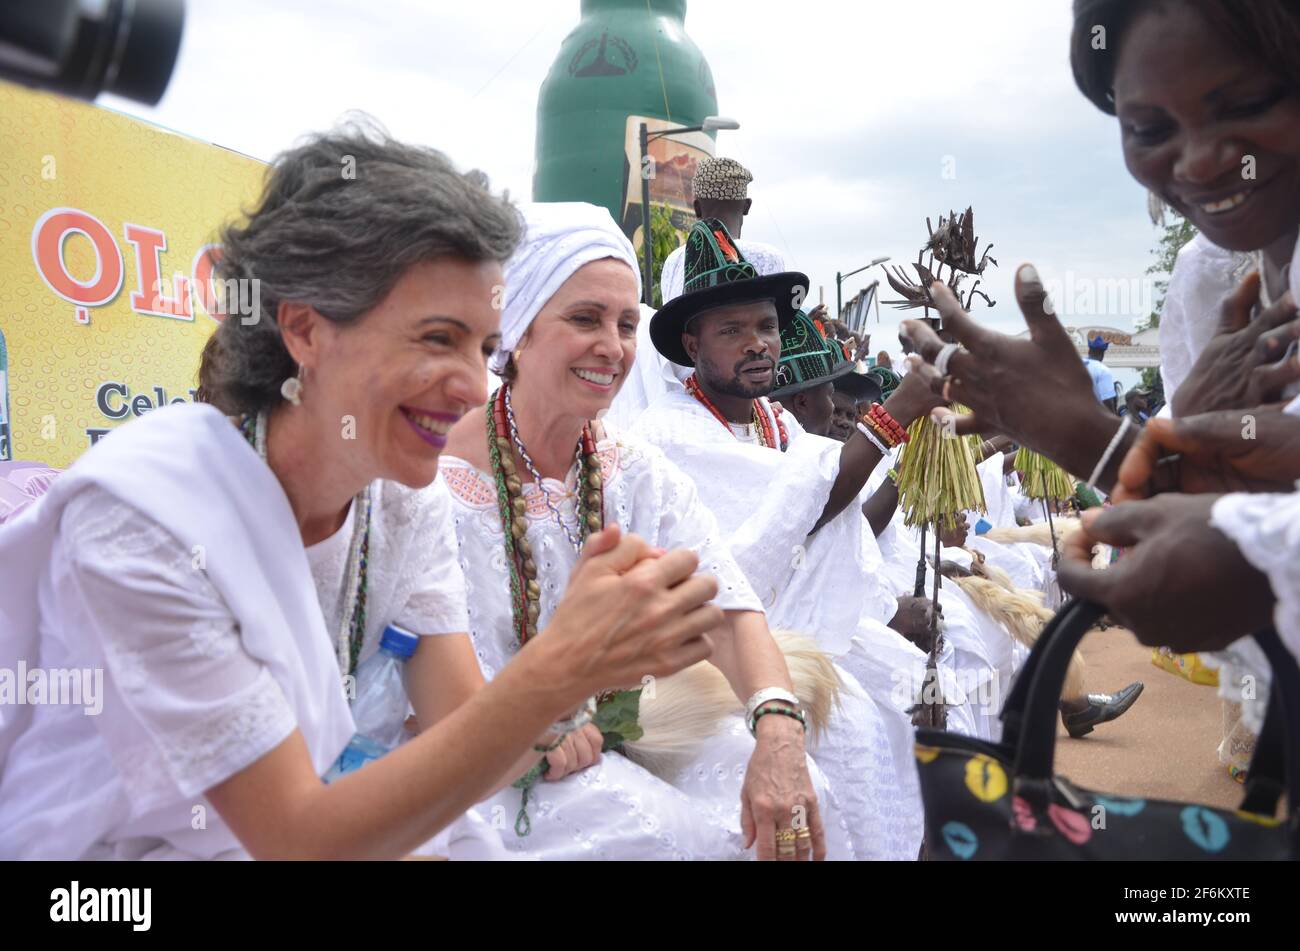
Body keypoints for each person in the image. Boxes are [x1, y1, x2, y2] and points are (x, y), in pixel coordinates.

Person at [0, 123, 721, 860]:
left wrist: (583, 678)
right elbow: (296, 837)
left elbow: (473, 755)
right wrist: (558, 666)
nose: (475, 385)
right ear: (306, 331)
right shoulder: (142, 521)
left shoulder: (401, 501)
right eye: (437, 338)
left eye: (481, 347)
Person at [439, 201, 847, 860]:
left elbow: (729, 609)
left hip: (611, 733)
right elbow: (417, 684)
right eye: (584, 318)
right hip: (471, 770)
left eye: (627, 322)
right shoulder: (434, 480)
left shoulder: (631, 470)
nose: (613, 344)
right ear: (517, 328)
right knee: (657, 834)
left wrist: (778, 725)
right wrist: (526, 726)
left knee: (803, 790)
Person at [633, 219, 967, 858]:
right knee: (850, 733)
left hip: (799, 634)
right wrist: (895, 412)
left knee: (916, 686)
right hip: (714, 650)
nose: (756, 344)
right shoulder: (668, 433)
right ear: (691, 342)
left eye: (765, 327)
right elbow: (796, 516)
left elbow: (820, 504)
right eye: (732, 331)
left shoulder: (775, 419)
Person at [1084, 335, 1119, 413]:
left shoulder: (1077, 363)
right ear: (1102, 354)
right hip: (1092, 417)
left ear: (1089, 351)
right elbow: (1107, 401)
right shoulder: (1102, 370)